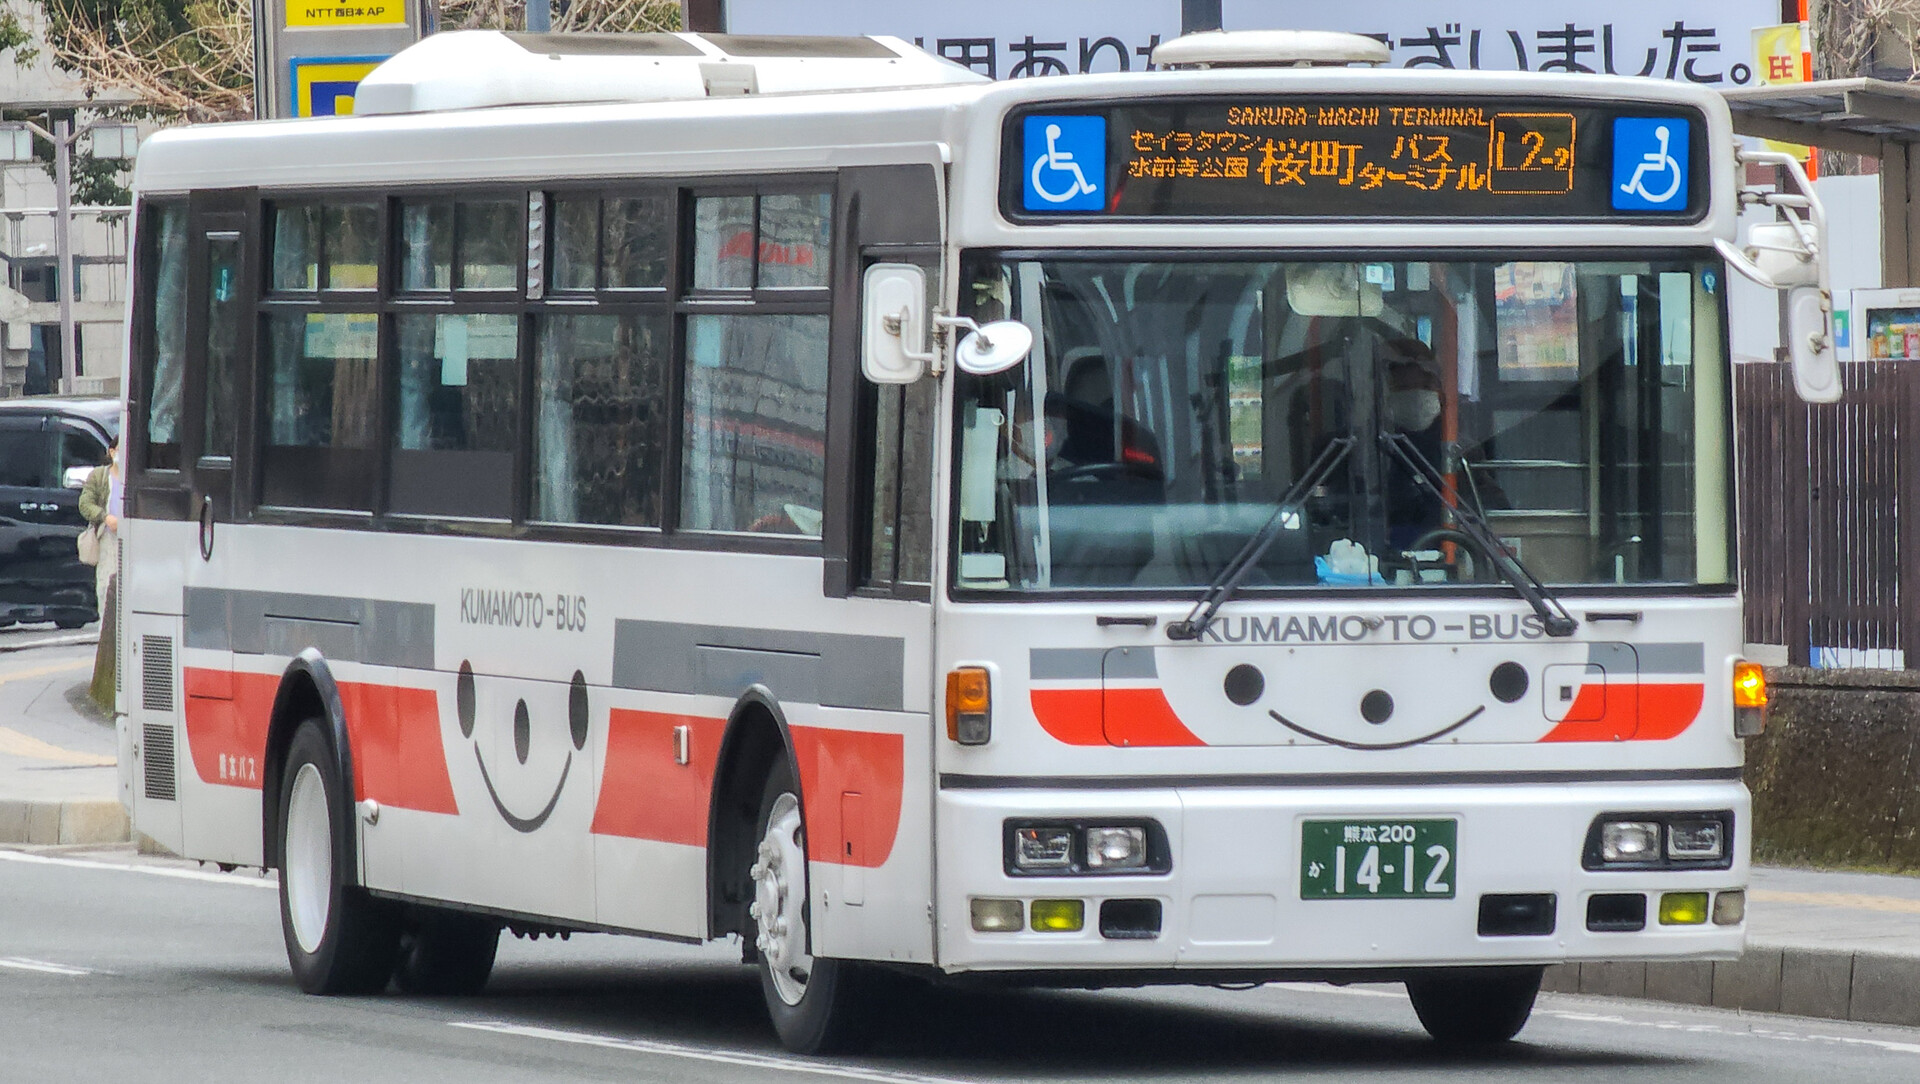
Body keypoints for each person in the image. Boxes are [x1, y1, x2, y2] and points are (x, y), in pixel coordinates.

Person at [79, 435, 121, 712]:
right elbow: (85, 504)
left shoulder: (137, 476)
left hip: (134, 539)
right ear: (111, 451)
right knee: (107, 590)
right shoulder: (99, 476)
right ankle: (106, 652)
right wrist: (104, 516)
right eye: (119, 450)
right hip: (109, 539)